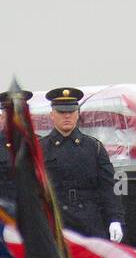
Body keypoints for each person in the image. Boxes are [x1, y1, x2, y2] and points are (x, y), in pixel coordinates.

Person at [40, 87, 124, 241]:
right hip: (54, 221)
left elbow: (108, 187)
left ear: (77, 114)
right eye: (61, 112)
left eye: (71, 112)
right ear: (52, 115)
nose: (67, 116)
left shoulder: (94, 148)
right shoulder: (39, 149)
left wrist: (115, 219)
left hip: (89, 221)